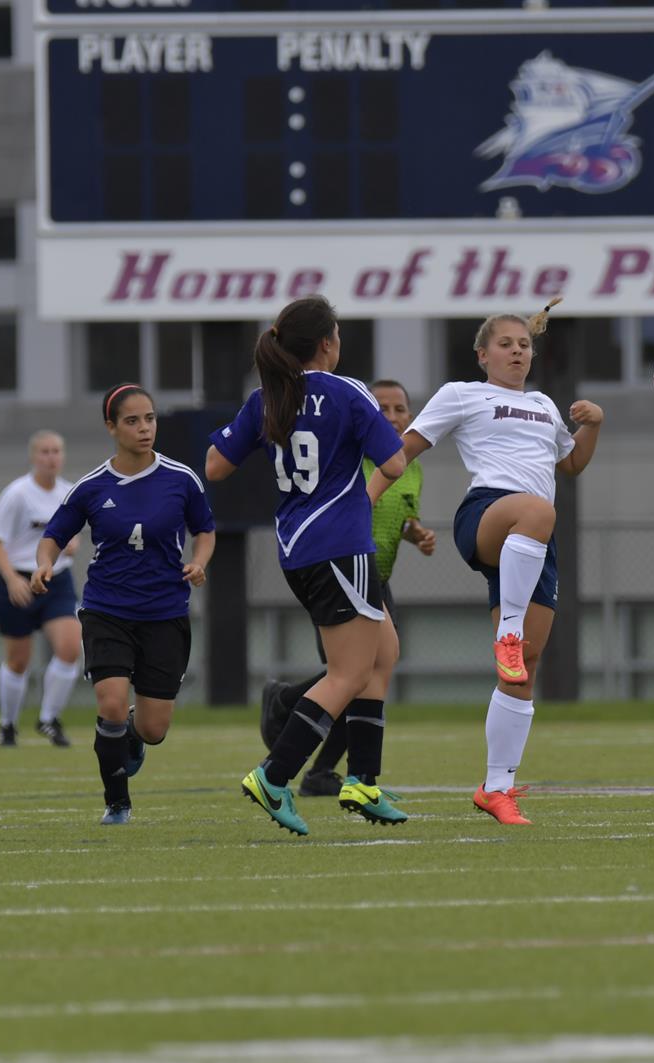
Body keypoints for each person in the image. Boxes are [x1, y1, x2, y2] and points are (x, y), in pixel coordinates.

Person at [371, 300, 604, 825]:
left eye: (524, 345)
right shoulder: (462, 395)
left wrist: (593, 426)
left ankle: (497, 787)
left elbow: (570, 464)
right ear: (483, 355)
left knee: (524, 673)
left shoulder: (545, 405)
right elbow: (401, 452)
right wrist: (361, 501)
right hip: (487, 516)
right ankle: (509, 635)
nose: (517, 351)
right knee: (538, 511)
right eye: (506, 344)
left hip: (533, 539)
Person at [207, 296, 410, 837]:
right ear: (327, 343)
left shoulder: (268, 396)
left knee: (383, 651)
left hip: (297, 547)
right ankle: (275, 776)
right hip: (342, 545)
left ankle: (363, 778)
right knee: (349, 674)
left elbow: (215, 465)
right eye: (337, 334)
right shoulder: (347, 392)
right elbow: (394, 462)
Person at [34, 384, 215, 825]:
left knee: (154, 730)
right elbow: (54, 535)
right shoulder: (92, 486)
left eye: (149, 418)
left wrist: (199, 561)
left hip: (165, 613)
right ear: (111, 427)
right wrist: (43, 566)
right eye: (132, 421)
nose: (144, 428)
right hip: (107, 609)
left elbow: (205, 529)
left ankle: (132, 732)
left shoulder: (181, 478)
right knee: (110, 702)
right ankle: (117, 802)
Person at [258, 379, 437, 798]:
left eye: (400, 409)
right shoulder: (357, 456)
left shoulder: (411, 466)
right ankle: (289, 751)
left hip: (378, 578)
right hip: (343, 570)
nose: (392, 417)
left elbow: (401, 516)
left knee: (368, 671)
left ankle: (338, 773)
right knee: (352, 674)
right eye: (384, 409)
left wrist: (417, 534)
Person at [0, 430, 82, 748]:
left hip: (56, 579)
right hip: (20, 580)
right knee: (18, 660)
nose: (51, 458)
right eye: (44, 452)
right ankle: (8, 724)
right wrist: (12, 579)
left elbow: (74, 535)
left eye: (56, 451)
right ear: (33, 457)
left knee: (69, 648)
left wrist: (71, 544)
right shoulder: (17, 494)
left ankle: (48, 718)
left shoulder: (69, 493)